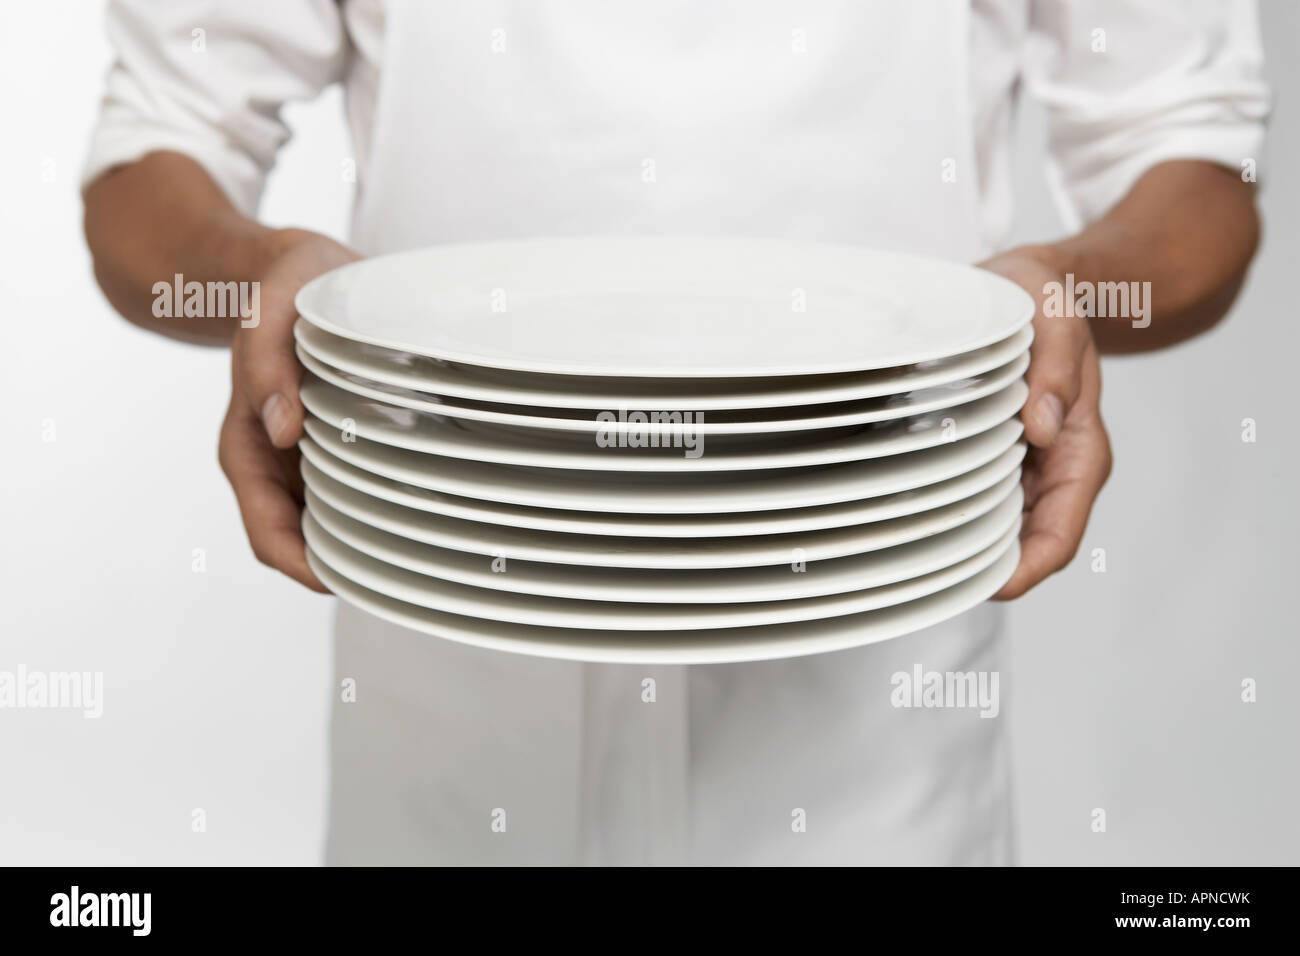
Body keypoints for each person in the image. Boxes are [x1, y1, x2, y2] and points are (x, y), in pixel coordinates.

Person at [82, 1, 1267, 865]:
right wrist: (255, 275)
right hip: (447, 715)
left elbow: (1190, 160)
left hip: (877, 746)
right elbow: (150, 156)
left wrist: (1061, 285)